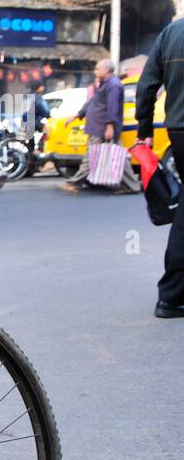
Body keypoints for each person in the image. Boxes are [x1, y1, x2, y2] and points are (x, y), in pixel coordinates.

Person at [135, 19, 184, 318]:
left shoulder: (172, 32)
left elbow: (147, 85)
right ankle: (172, 295)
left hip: (178, 131)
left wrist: (144, 127)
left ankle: (172, 295)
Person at [61, 59, 139, 194]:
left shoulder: (114, 85)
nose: (95, 71)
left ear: (107, 70)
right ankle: (133, 186)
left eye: (98, 69)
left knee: (91, 156)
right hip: (100, 126)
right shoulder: (104, 84)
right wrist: (78, 115)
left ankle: (74, 183)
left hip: (102, 128)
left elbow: (112, 107)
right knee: (120, 157)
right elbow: (93, 102)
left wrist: (109, 126)